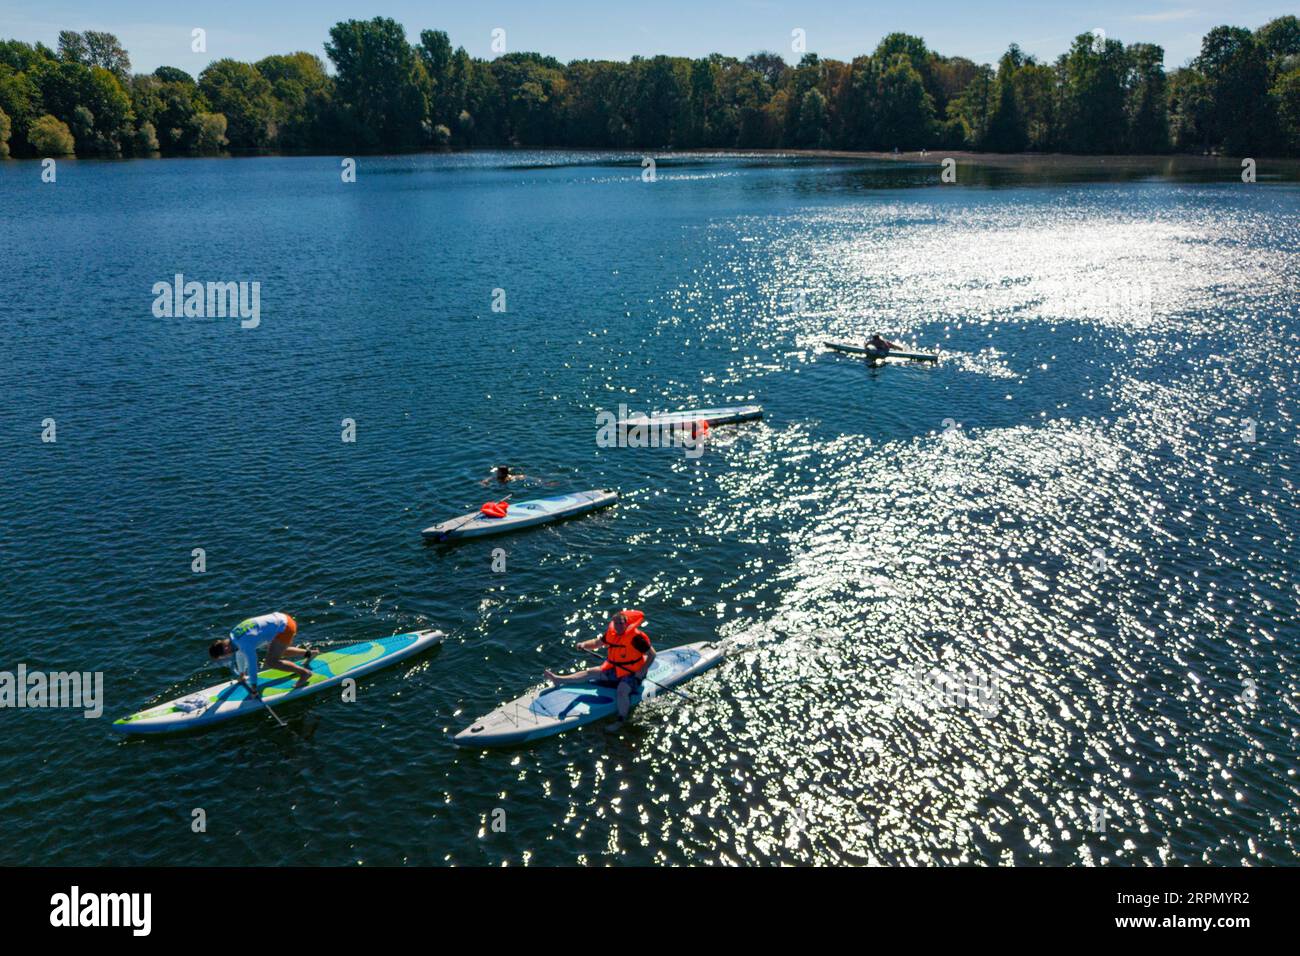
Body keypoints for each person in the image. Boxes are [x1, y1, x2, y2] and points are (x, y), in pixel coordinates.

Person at [545, 610, 655, 719]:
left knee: (621, 691)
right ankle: (559, 679)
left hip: (633, 673)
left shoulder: (636, 638)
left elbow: (652, 654)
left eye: (621, 623)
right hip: (616, 669)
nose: (618, 626)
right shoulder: (612, 634)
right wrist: (584, 644)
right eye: (616, 623)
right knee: (590, 672)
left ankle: (621, 719)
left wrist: (641, 672)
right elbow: (597, 643)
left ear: (626, 623)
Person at [208, 612, 314, 694]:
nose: (227, 656)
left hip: (285, 627)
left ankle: (304, 673)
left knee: (271, 661)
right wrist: (242, 674)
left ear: (225, 649)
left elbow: (252, 665)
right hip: (281, 618)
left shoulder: (244, 644)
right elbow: (240, 654)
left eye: (224, 655)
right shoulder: (234, 636)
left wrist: (254, 687)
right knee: (276, 650)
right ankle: (309, 653)